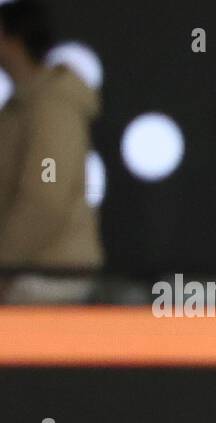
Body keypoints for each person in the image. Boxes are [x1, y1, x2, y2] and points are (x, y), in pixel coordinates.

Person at [0, 0, 102, 304]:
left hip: (47, 279)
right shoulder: (24, 107)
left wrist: (5, 265)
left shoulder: (52, 106)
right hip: (28, 274)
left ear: (11, 37)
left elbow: (46, 197)